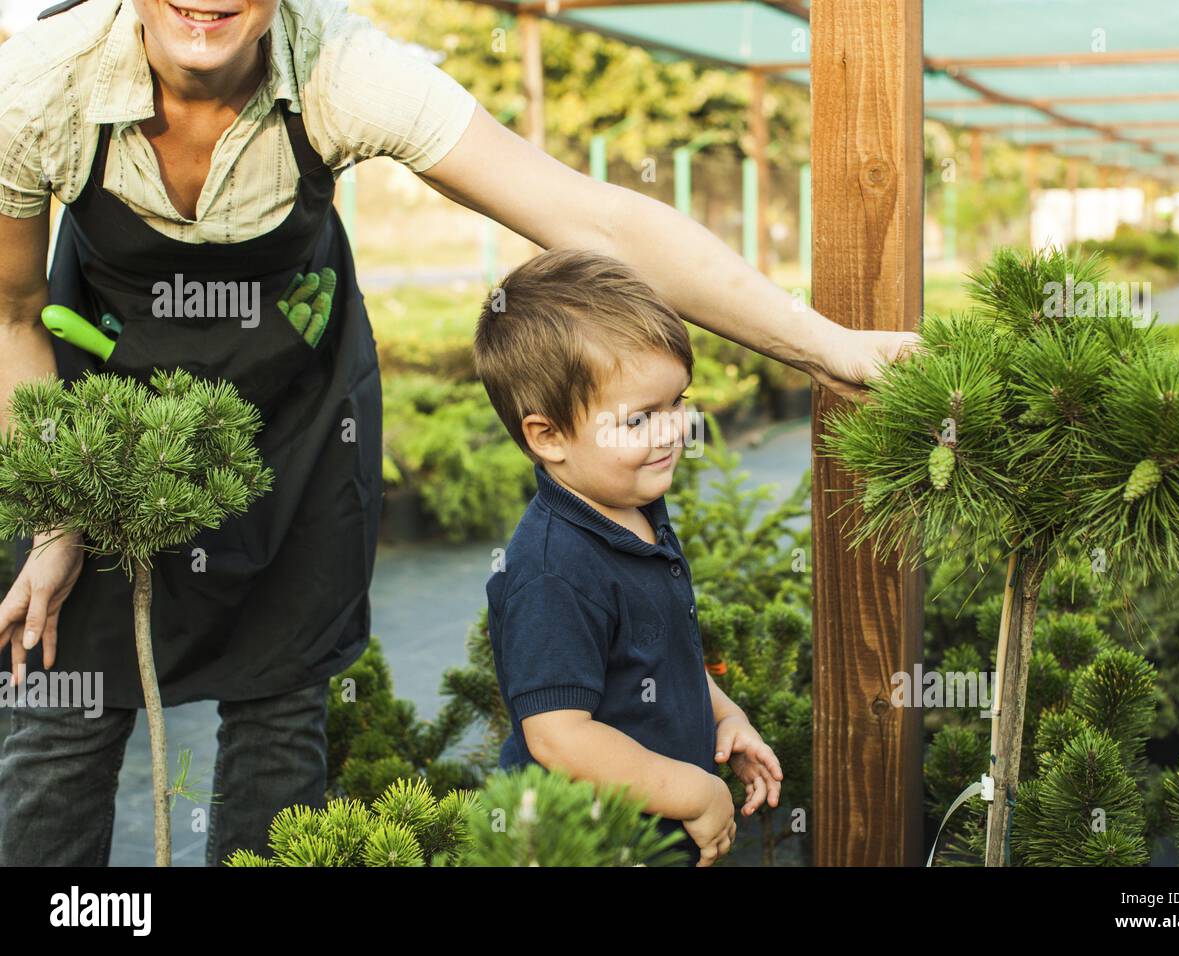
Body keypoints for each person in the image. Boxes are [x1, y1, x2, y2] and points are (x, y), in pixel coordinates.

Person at [0, 0, 916, 866]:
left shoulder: (345, 71)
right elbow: (12, 313)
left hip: (298, 416)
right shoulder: (39, 86)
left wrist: (829, 350)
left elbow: (592, 218)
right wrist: (58, 517)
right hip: (96, 417)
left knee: (277, 707)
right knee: (61, 704)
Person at [475, 248, 784, 866]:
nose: (673, 430)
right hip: (595, 846)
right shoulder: (551, 570)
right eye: (640, 418)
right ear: (549, 436)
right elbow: (560, 736)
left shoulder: (633, 515)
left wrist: (723, 716)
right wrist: (691, 793)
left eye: (677, 402)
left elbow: (659, 654)